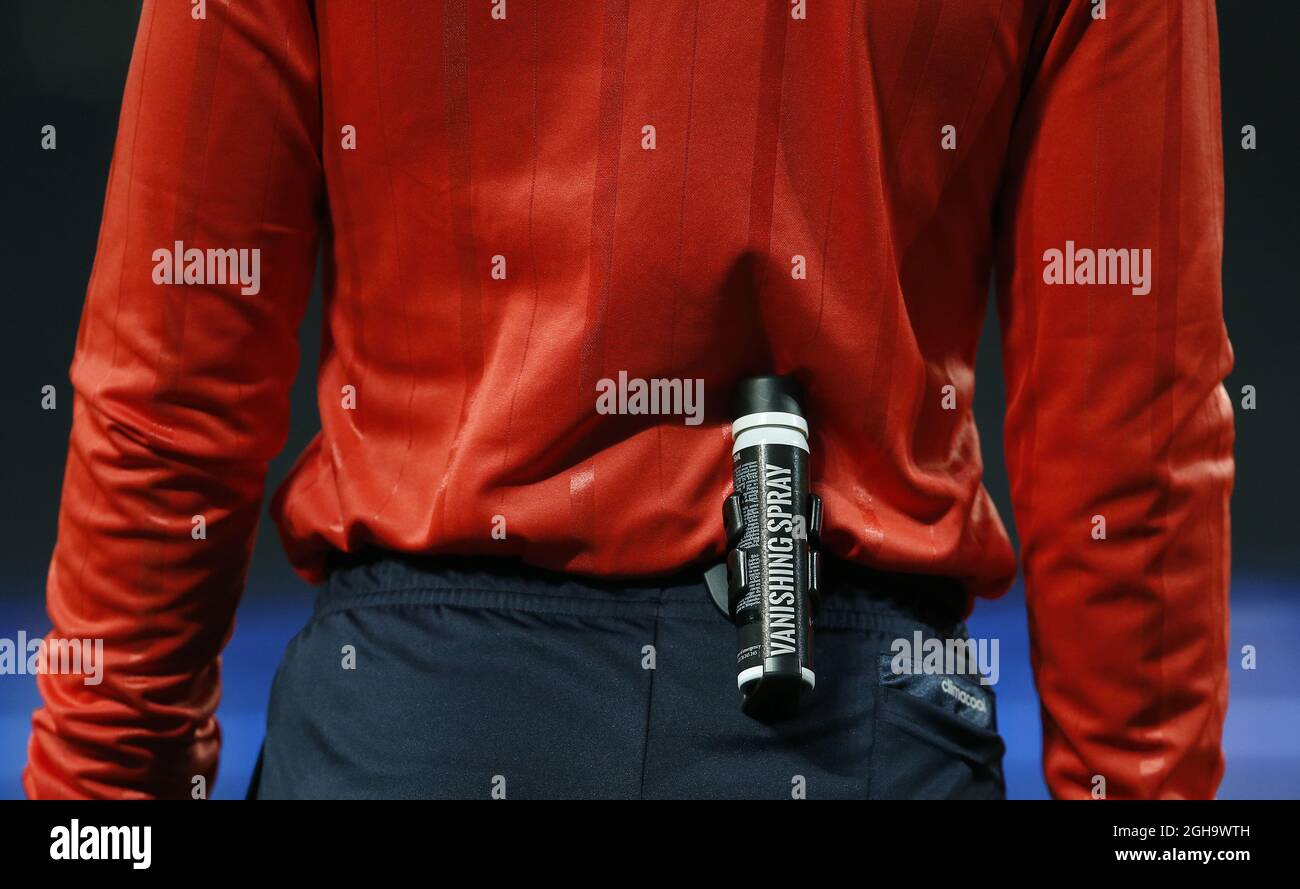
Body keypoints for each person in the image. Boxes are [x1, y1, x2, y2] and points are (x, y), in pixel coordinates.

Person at [26, 0, 1233, 800]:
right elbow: (1131, 415)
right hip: (852, 725)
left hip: (408, 724)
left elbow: (170, 369)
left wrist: (102, 798)